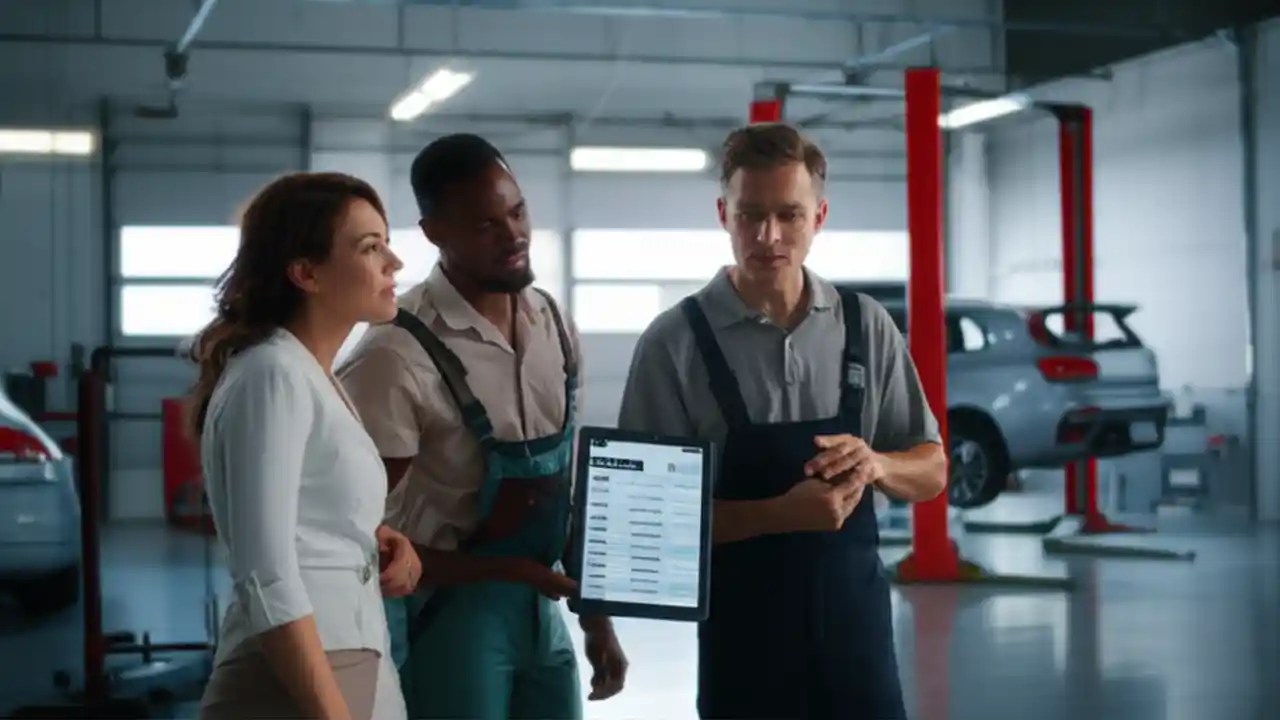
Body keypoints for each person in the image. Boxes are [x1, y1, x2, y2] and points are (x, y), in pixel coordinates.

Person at [617, 123, 947, 720]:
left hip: (858, 639)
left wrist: (876, 463)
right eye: (751, 215)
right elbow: (645, 526)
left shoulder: (866, 326)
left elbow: (932, 470)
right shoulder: (674, 343)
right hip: (745, 649)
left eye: (789, 215)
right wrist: (778, 515)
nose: (769, 236)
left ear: (819, 216)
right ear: (724, 213)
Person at [338, 133, 628, 720]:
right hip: (447, 616)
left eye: (517, 212)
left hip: (543, 608)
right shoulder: (396, 354)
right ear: (435, 233)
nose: (514, 234)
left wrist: (598, 618)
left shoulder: (554, 326)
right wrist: (504, 570)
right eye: (485, 224)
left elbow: (564, 490)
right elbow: (359, 539)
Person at [190, 172, 420, 720]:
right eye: (370, 247)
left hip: (348, 648)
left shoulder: (311, 372)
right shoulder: (272, 373)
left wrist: (378, 539)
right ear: (305, 272)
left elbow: (305, 515)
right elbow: (264, 570)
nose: (395, 262)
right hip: (301, 670)